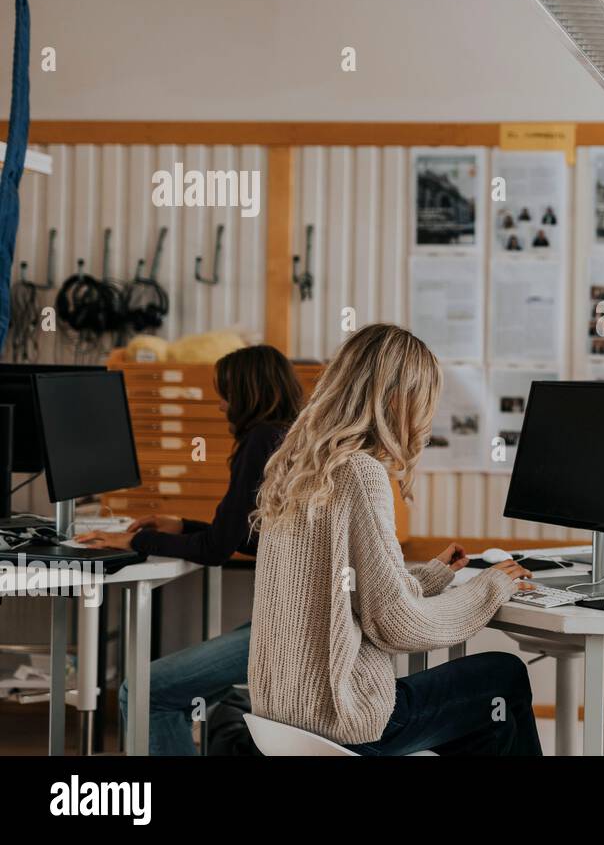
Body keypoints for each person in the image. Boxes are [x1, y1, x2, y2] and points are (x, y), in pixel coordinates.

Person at [248, 323, 541, 755]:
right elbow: (394, 624)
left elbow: (348, 591)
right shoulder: (360, 473)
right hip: (347, 721)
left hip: (283, 716)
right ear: (397, 400)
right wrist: (490, 586)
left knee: (484, 723)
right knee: (505, 678)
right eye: (424, 402)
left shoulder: (297, 465)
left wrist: (433, 575)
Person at [80, 345, 304, 755]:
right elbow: (253, 537)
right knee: (171, 692)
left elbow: (218, 549)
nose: (219, 405)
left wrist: (135, 541)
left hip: (288, 631)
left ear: (247, 393)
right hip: (297, 624)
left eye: (224, 393)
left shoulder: (261, 439)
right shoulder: (291, 437)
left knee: (146, 692)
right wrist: (181, 525)